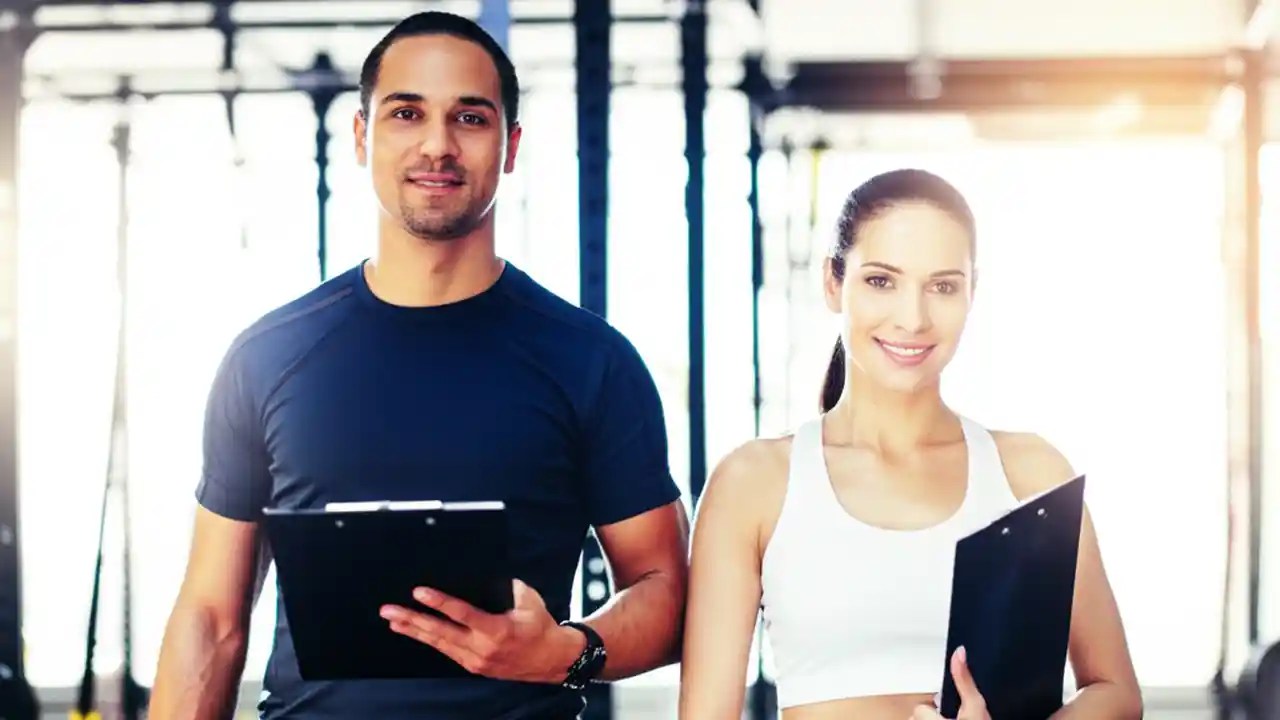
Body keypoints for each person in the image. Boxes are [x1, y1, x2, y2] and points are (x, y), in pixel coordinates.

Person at [148, 11, 689, 720]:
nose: (438, 144)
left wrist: (563, 649)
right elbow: (212, 619)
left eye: (470, 117)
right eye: (407, 113)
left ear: (511, 144)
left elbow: (667, 588)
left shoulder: (592, 362)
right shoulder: (267, 357)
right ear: (363, 135)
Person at [678, 169, 1144, 720]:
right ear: (833, 281)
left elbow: (1115, 691)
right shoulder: (754, 483)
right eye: (881, 281)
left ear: (974, 292)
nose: (913, 318)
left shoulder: (1029, 472)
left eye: (943, 286)